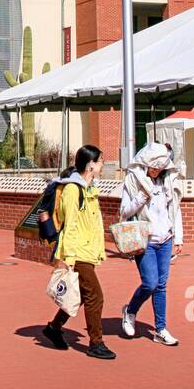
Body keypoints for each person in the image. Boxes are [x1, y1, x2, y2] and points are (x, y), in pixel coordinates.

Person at [42, 144, 115, 360]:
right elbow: (71, 225)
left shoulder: (89, 190)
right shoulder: (73, 190)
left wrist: (99, 251)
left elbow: (92, 224)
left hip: (87, 252)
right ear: (90, 165)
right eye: (100, 161)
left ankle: (54, 327)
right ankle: (96, 343)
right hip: (76, 253)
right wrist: (70, 259)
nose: (103, 164)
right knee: (96, 296)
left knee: (81, 294)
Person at [119, 142, 184, 347]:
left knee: (161, 286)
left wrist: (178, 237)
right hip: (144, 239)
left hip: (165, 239)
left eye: (161, 168)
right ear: (146, 164)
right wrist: (141, 198)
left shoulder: (167, 181)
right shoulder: (133, 180)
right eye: (154, 167)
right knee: (150, 283)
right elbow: (124, 212)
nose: (157, 171)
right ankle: (130, 311)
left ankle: (160, 329)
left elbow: (175, 210)